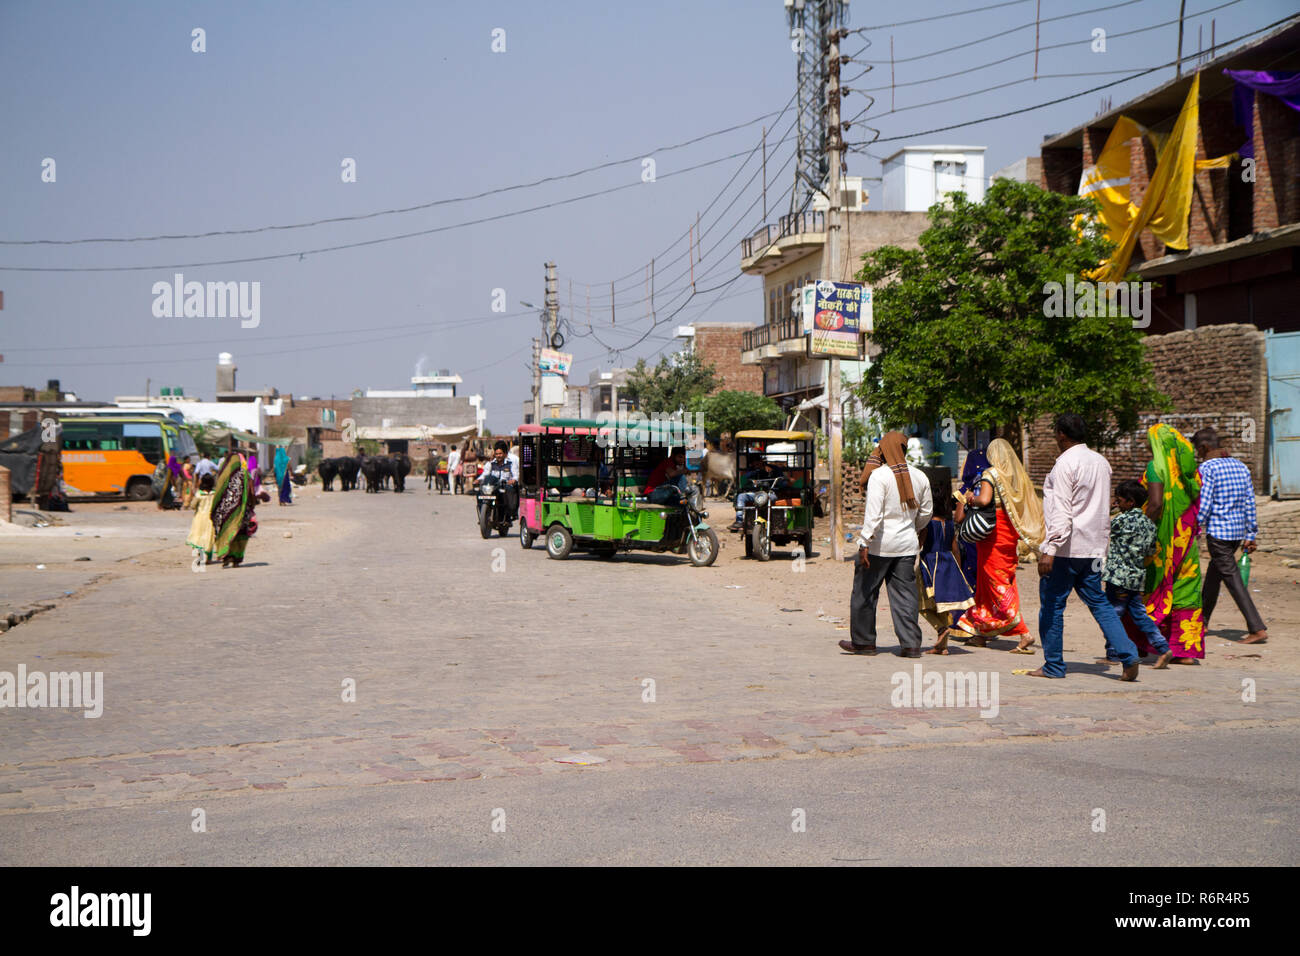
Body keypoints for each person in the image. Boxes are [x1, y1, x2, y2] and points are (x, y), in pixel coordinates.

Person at [1028, 414, 1141, 681]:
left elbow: (1062, 511)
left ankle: (1053, 665)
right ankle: (1127, 653)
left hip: (1067, 549)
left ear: (1062, 435)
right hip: (1092, 548)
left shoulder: (1065, 464)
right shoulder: (1101, 462)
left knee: (1053, 605)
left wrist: (1050, 549)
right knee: (1100, 603)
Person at [839, 431, 933, 658]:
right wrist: (914, 527)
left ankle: (864, 643)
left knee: (864, 593)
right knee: (905, 597)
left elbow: (873, 516)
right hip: (907, 547)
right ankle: (911, 645)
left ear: (882, 449)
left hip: (878, 547)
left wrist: (864, 544)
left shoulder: (879, 476)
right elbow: (927, 512)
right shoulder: (920, 476)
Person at [955, 438, 1044, 651]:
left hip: (992, 533)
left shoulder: (990, 474)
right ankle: (980, 631)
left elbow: (984, 500)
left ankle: (1024, 632)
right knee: (990, 580)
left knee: (996, 582)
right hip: (1008, 531)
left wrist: (969, 498)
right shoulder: (1015, 478)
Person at [1193, 427, 1267, 645]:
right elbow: (1249, 503)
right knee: (1214, 578)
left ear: (1205, 447)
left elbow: (1204, 505)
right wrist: (1251, 533)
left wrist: (1193, 528)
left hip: (1218, 534)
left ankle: (1257, 627)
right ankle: (1202, 622)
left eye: (1198, 451)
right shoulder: (1240, 466)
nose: (1198, 455)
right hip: (1235, 535)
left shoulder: (1207, 468)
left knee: (1233, 580)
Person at [1102, 479, 1171, 668]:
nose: (1117, 503)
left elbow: (1099, 526)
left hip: (1118, 578)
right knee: (1140, 615)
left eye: (1119, 500)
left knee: (1112, 616)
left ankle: (1113, 654)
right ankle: (1163, 648)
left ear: (1130, 502)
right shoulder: (1149, 524)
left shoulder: (1120, 521)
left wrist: (1108, 509)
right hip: (1137, 578)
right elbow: (1150, 551)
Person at [917, 467, 975, 655]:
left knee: (921, 604)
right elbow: (955, 546)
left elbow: (921, 544)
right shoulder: (949, 521)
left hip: (930, 563)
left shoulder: (927, 522)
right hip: (948, 562)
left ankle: (941, 629)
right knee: (942, 604)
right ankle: (942, 646)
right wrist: (957, 569)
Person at [729, 457, 790, 530]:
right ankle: (739, 521)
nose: (756, 463)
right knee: (741, 496)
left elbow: (782, 482)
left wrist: (784, 481)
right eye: (754, 462)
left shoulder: (774, 468)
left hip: (770, 493)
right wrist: (756, 471)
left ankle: (774, 521)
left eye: (758, 461)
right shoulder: (752, 470)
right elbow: (744, 479)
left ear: (762, 461)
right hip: (756, 494)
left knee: (771, 498)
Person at [483, 440, 519, 518]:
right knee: (480, 492)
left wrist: (513, 480)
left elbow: (516, 476)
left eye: (500, 453)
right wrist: (479, 480)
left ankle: (510, 513)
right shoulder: (490, 464)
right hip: (493, 488)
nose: (498, 455)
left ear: (505, 454)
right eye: (496, 454)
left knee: (510, 491)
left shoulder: (511, 464)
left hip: (504, 487)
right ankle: (484, 513)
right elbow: (485, 475)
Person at [186, 472, 217, 564]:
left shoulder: (199, 494)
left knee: (198, 537)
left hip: (199, 519)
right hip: (211, 518)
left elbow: (192, 505)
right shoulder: (214, 494)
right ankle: (209, 558)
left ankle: (200, 557)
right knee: (209, 537)